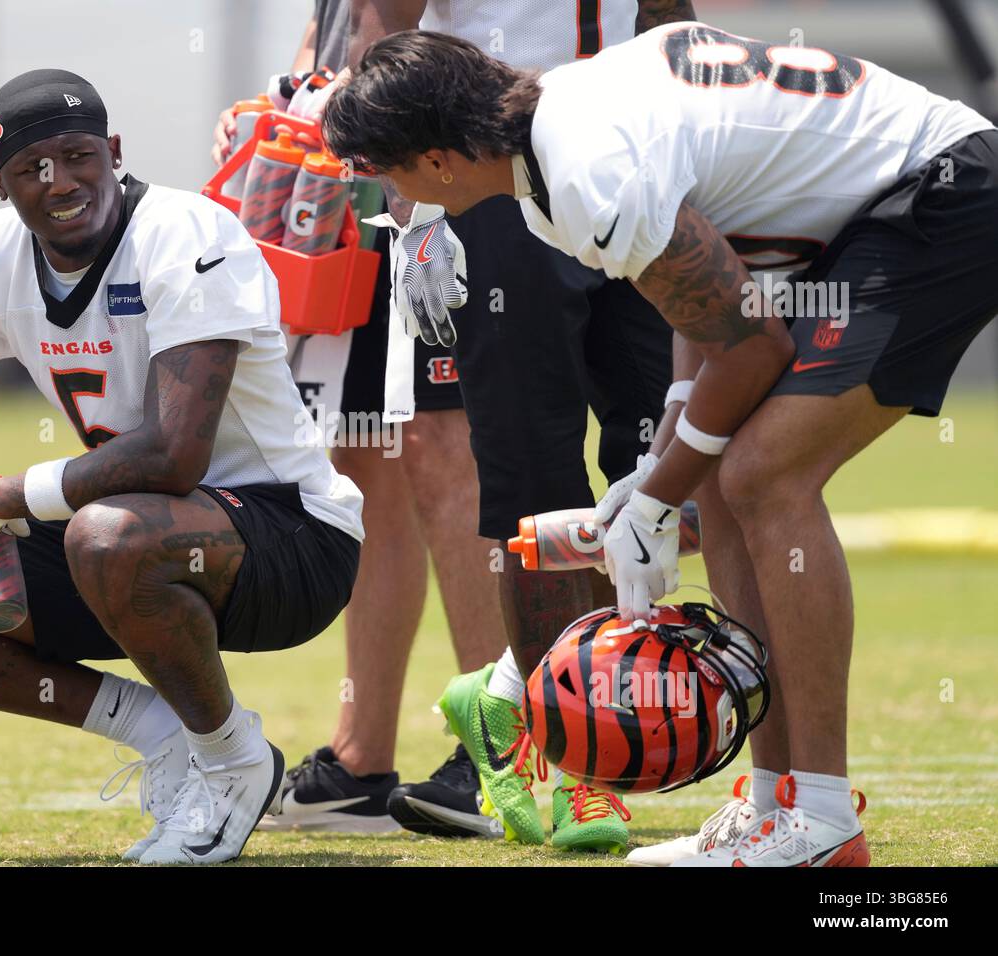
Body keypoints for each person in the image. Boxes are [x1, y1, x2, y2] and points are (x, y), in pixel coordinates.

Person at [322, 24, 998, 866]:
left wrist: (650, 499)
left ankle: (822, 814)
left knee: (763, 474)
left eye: (383, 169)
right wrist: (664, 466)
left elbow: (751, 344)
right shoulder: (566, 123)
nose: (390, 192)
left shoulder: (581, 172)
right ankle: (775, 806)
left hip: (939, 193)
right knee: (720, 482)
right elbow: (705, 310)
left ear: (436, 161)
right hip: (885, 201)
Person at [0, 68, 364, 865]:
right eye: (31, 170)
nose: (60, 184)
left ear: (114, 151)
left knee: (106, 535)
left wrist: (8, 496)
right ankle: (162, 732)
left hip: (289, 541)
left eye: (76, 156)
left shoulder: (187, 235)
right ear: (0, 185)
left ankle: (233, 760)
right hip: (124, 536)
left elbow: (174, 454)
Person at [332, 0, 694, 851]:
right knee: (534, 479)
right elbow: (386, 25)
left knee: (671, 464)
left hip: (634, 154)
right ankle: (550, 752)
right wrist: (414, 214)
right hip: (486, 168)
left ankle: (522, 701)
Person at [210, 0, 504, 838]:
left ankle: (498, 750)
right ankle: (361, 756)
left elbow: (386, 19)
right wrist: (293, 97)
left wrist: (333, 113)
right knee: (368, 457)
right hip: (380, 163)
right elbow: (335, 22)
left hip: (427, 164)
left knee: (444, 446)